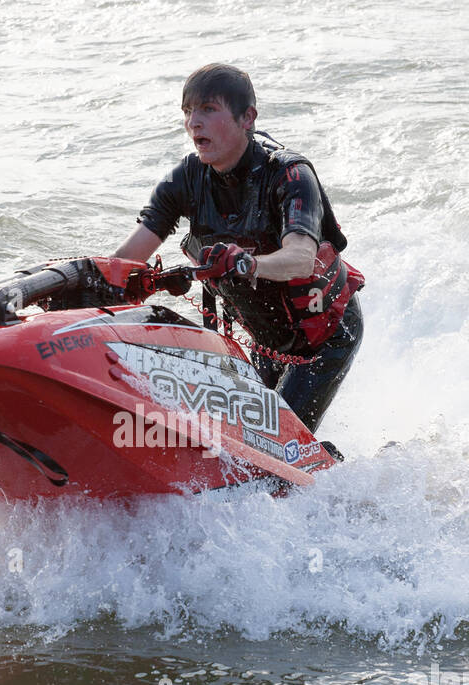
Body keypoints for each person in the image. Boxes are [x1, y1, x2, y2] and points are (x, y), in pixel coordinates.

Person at [114, 63, 365, 437]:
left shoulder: (291, 175)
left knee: (270, 443)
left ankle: (347, 483)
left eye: (208, 109)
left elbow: (300, 258)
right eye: (188, 112)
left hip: (325, 336)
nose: (193, 123)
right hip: (268, 341)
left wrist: (246, 263)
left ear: (247, 118)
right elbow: (126, 259)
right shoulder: (184, 181)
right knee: (242, 438)